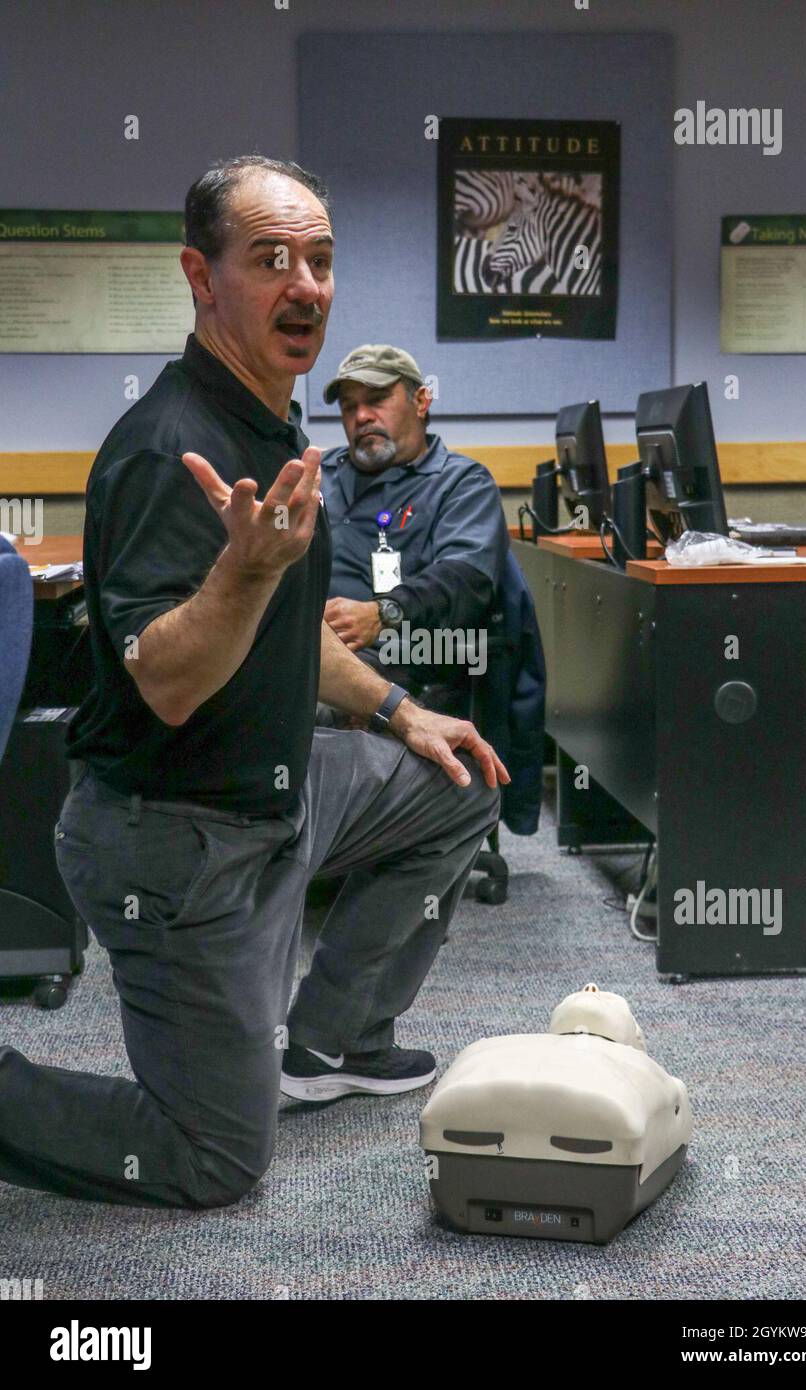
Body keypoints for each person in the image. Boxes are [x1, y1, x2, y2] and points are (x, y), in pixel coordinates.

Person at [0, 156, 506, 1211]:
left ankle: (332, 1041)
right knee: (215, 1159)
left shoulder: (274, 423)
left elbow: (289, 640)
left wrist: (404, 711)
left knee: (462, 781)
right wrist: (243, 568)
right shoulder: (164, 450)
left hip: (282, 791)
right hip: (179, 837)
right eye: (270, 259)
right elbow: (166, 683)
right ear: (201, 275)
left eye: (319, 260)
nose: (305, 285)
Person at [319, 345, 509, 717]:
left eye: (376, 400)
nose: (361, 416)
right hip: (306, 647)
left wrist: (383, 613)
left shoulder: (460, 483)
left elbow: (465, 580)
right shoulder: (317, 475)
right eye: (348, 406)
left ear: (421, 401)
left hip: (400, 661)